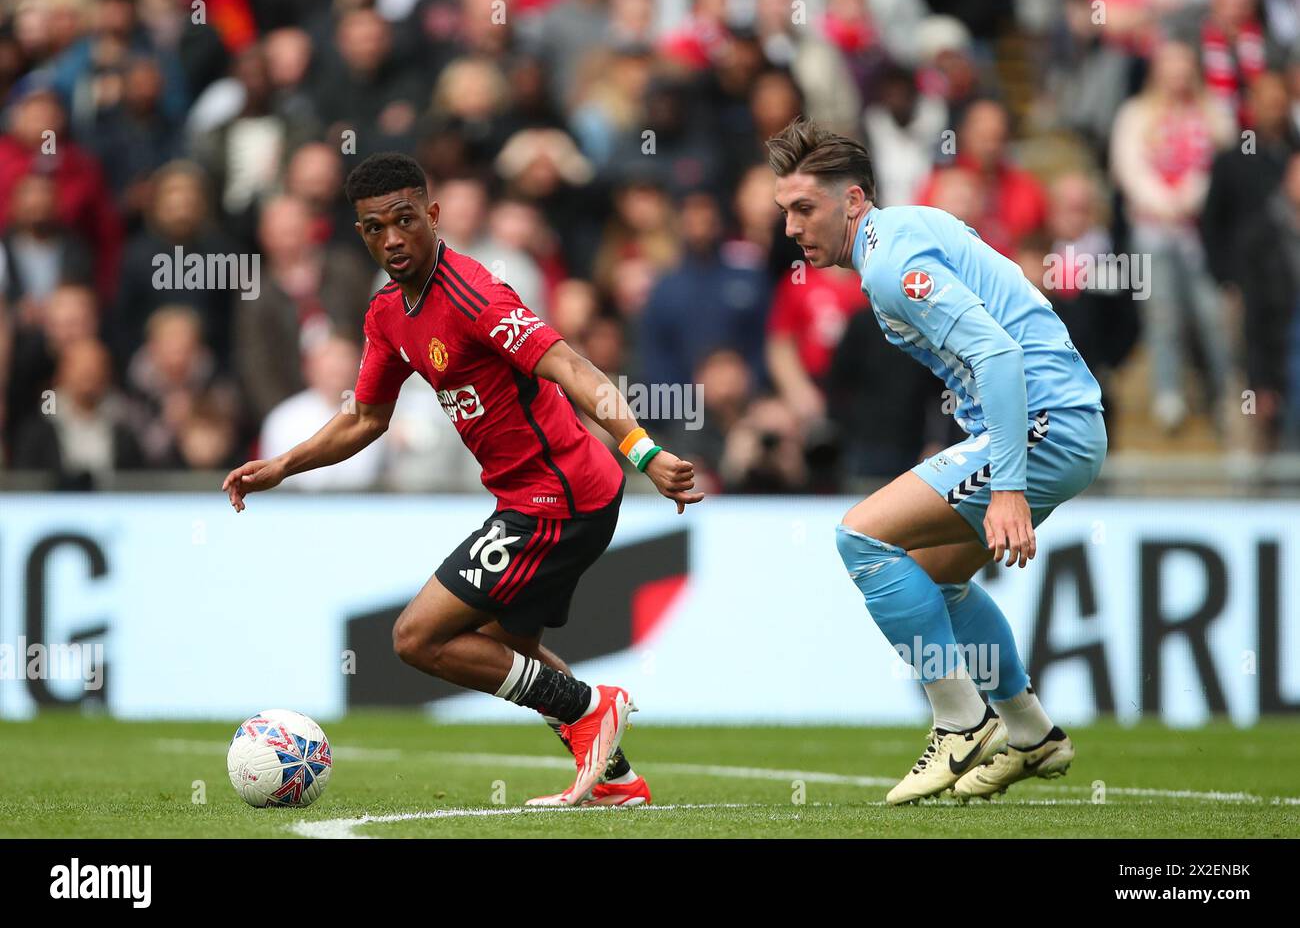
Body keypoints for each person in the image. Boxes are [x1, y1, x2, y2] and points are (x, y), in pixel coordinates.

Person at [222, 152, 703, 807]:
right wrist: (282, 464)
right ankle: (616, 779)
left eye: (404, 220)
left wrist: (644, 453)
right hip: (538, 496)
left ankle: (593, 705)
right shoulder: (388, 313)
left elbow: (569, 364)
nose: (391, 239)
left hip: (559, 497)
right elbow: (365, 418)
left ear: (433, 215)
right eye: (372, 228)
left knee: (416, 638)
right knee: (512, 651)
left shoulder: (474, 293)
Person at [768, 117, 1106, 804]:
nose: (791, 228)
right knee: (933, 580)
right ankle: (1031, 732)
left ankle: (959, 720)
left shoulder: (893, 265)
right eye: (785, 211)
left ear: (853, 200)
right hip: (1056, 421)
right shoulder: (905, 231)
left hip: (1044, 424)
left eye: (804, 208)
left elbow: (999, 355)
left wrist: (1007, 486)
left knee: (860, 536)